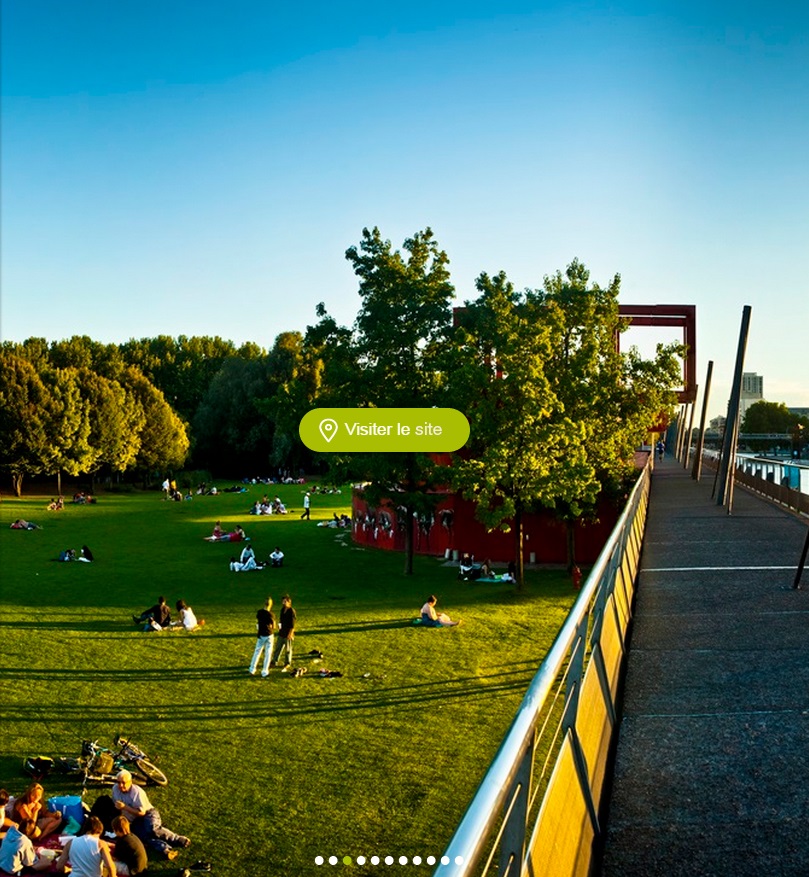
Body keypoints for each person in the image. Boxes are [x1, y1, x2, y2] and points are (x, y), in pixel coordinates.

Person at [111, 770, 189, 861]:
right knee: (144, 837)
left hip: (148, 813)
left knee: (152, 829)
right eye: (118, 782)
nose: (120, 785)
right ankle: (165, 849)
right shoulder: (115, 789)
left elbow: (142, 812)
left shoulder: (137, 793)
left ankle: (177, 838)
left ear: (130, 782)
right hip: (134, 820)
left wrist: (125, 807)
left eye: (123, 783)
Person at [249, 597, 275, 677]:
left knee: (257, 652)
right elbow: (273, 626)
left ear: (264, 603)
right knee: (268, 653)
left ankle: (252, 669)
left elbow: (258, 621)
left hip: (261, 635)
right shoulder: (271, 615)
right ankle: (264, 672)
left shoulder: (259, 612)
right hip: (269, 635)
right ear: (271, 605)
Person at [270, 595, 296, 668]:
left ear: (289, 602)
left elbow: (293, 624)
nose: (283, 603)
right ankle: (274, 661)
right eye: (283, 601)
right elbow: (281, 620)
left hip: (288, 633)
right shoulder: (282, 610)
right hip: (281, 632)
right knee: (278, 648)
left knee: (288, 650)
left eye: (285, 601)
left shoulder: (292, 611)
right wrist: (279, 626)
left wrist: (290, 634)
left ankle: (287, 662)